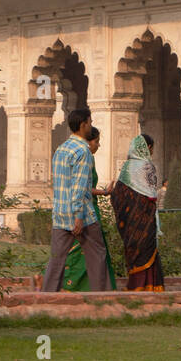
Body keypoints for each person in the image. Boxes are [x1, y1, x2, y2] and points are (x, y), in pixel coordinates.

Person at [41, 109, 112, 292]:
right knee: (97, 255)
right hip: (82, 216)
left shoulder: (61, 149)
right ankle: (100, 298)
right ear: (83, 125)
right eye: (89, 122)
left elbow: (60, 184)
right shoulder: (83, 151)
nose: (90, 125)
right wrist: (78, 216)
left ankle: (46, 298)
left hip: (60, 213)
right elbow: (79, 187)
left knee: (57, 259)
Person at [63, 127, 117, 292]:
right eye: (96, 142)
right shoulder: (85, 157)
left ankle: (88, 286)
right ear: (88, 142)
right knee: (86, 248)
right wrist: (105, 192)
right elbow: (82, 187)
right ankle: (62, 281)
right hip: (86, 208)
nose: (98, 146)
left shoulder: (79, 155)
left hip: (85, 206)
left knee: (83, 249)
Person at [110, 134, 165, 291]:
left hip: (129, 220)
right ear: (148, 148)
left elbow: (117, 194)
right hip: (144, 218)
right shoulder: (147, 166)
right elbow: (152, 194)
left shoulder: (126, 167)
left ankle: (135, 285)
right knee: (147, 249)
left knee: (134, 249)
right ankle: (149, 285)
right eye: (152, 148)